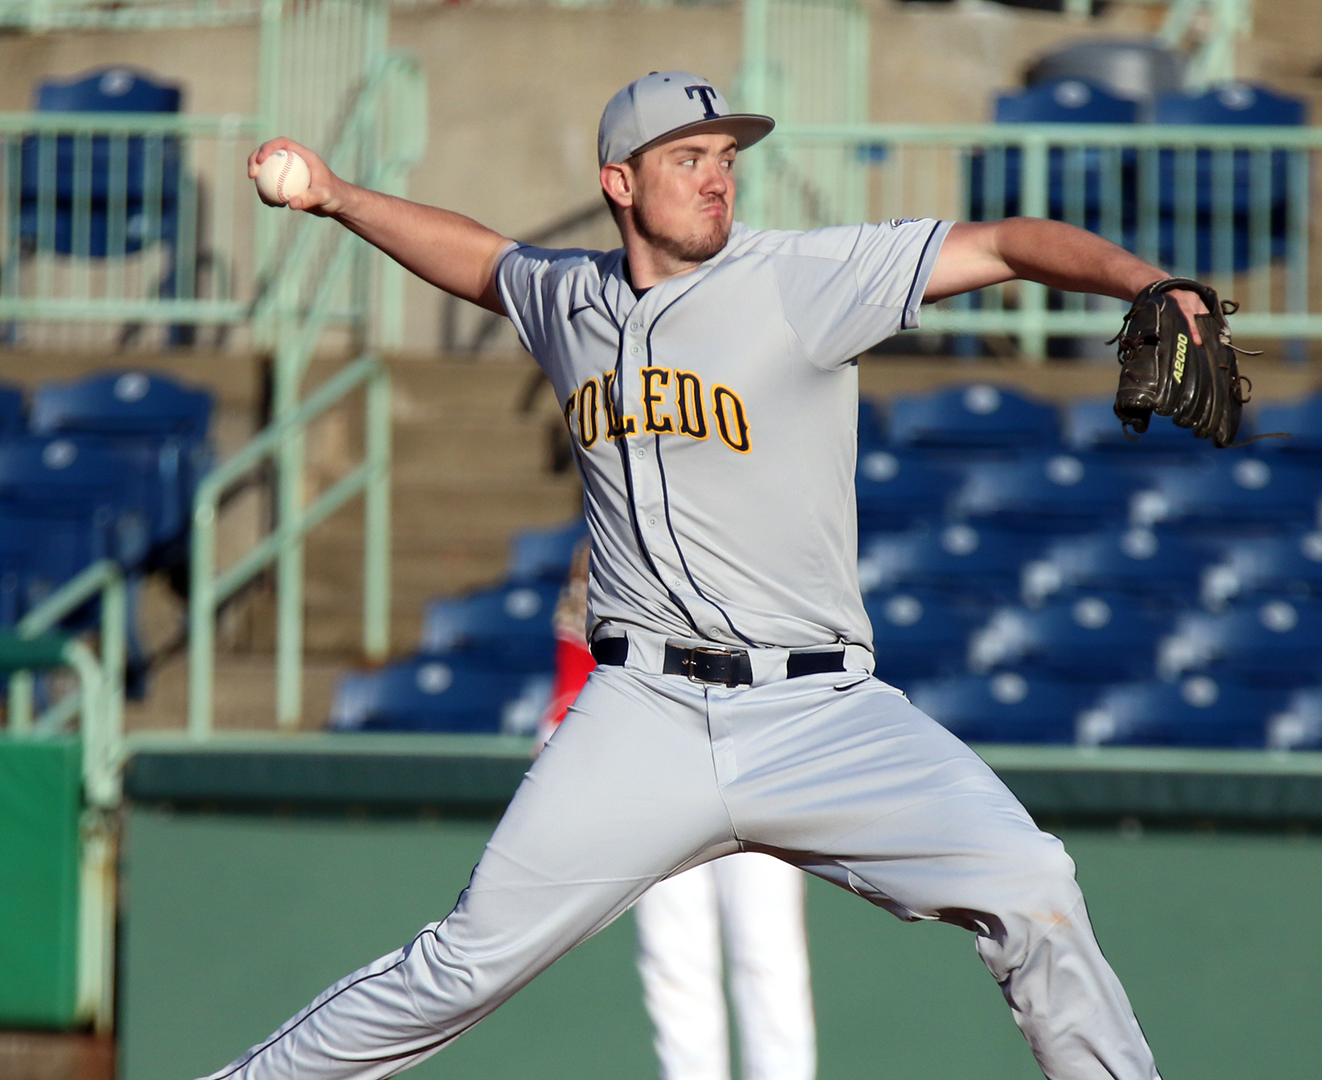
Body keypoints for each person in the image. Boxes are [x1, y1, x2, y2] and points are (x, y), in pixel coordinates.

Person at [210, 69, 1204, 1080]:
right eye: (688, 158)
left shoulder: (803, 279)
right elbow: (478, 260)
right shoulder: (572, 300)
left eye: (727, 158)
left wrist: (1142, 281)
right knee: (462, 964)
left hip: (819, 708)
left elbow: (1001, 243)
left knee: (1031, 880)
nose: (718, 179)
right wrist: (336, 197)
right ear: (621, 182)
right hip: (643, 712)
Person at [540, 539, 817, 1080]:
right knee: (675, 959)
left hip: (757, 747)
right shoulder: (609, 537)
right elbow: (577, 671)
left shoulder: (759, 528)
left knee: (768, 952)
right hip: (653, 763)